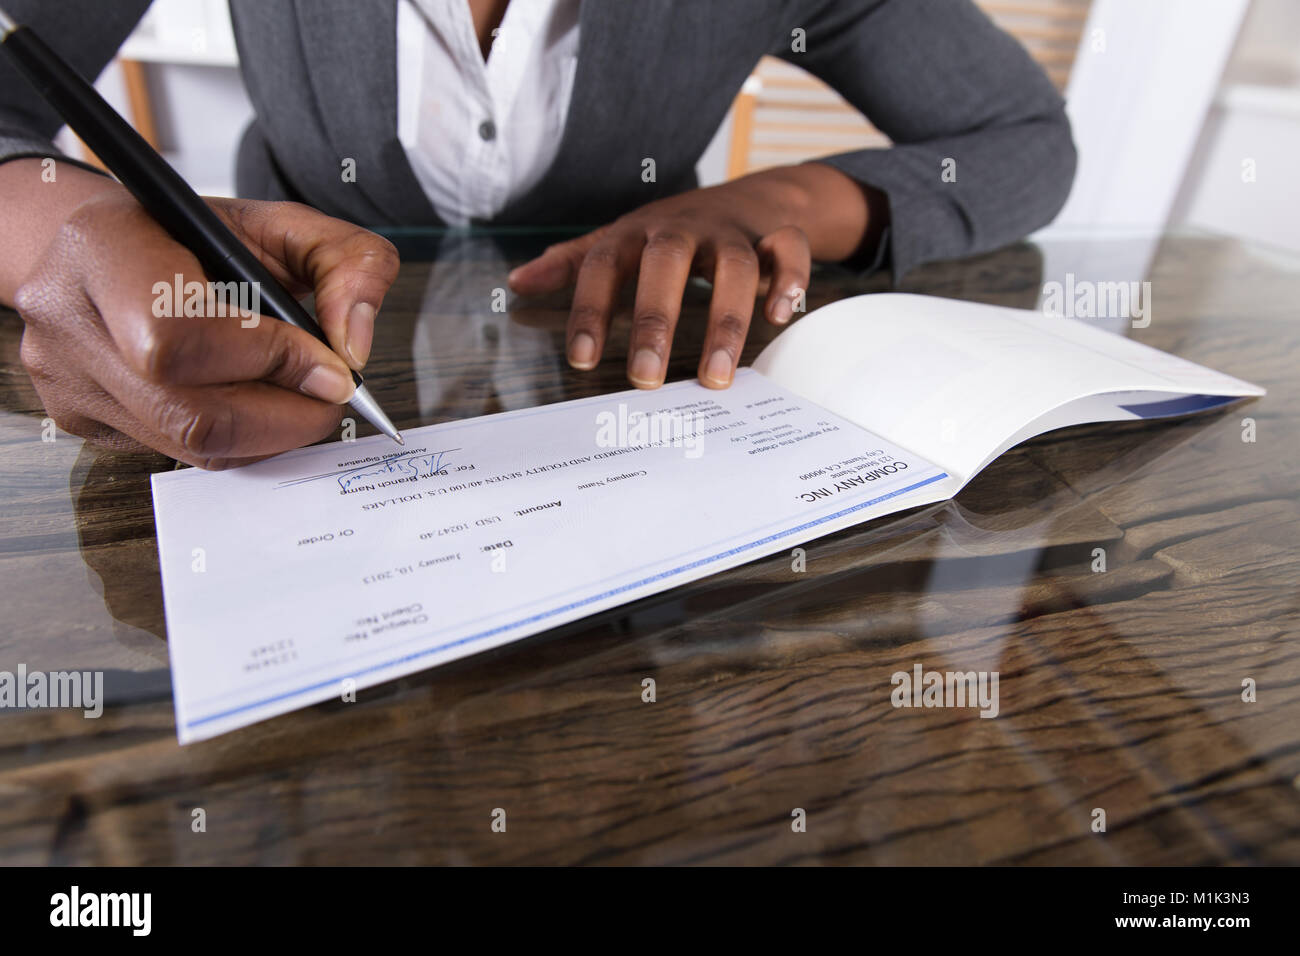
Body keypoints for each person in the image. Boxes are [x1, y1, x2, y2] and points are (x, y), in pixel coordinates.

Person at [0, 0, 1076, 469]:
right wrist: (73, 224)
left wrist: (778, 204)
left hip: (626, 379)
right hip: (272, 346)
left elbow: (1021, 137)